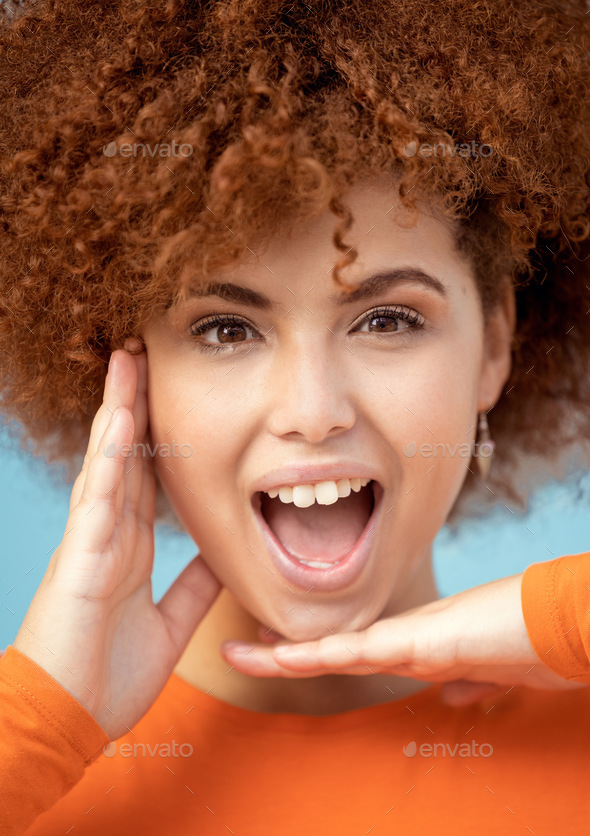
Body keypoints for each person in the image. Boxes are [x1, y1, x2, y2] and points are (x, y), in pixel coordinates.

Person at [0, 0, 589, 833]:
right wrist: (41, 720)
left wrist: (569, 621)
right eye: (226, 329)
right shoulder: (33, 778)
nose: (313, 414)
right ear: (126, 373)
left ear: (494, 343)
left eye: (387, 320)